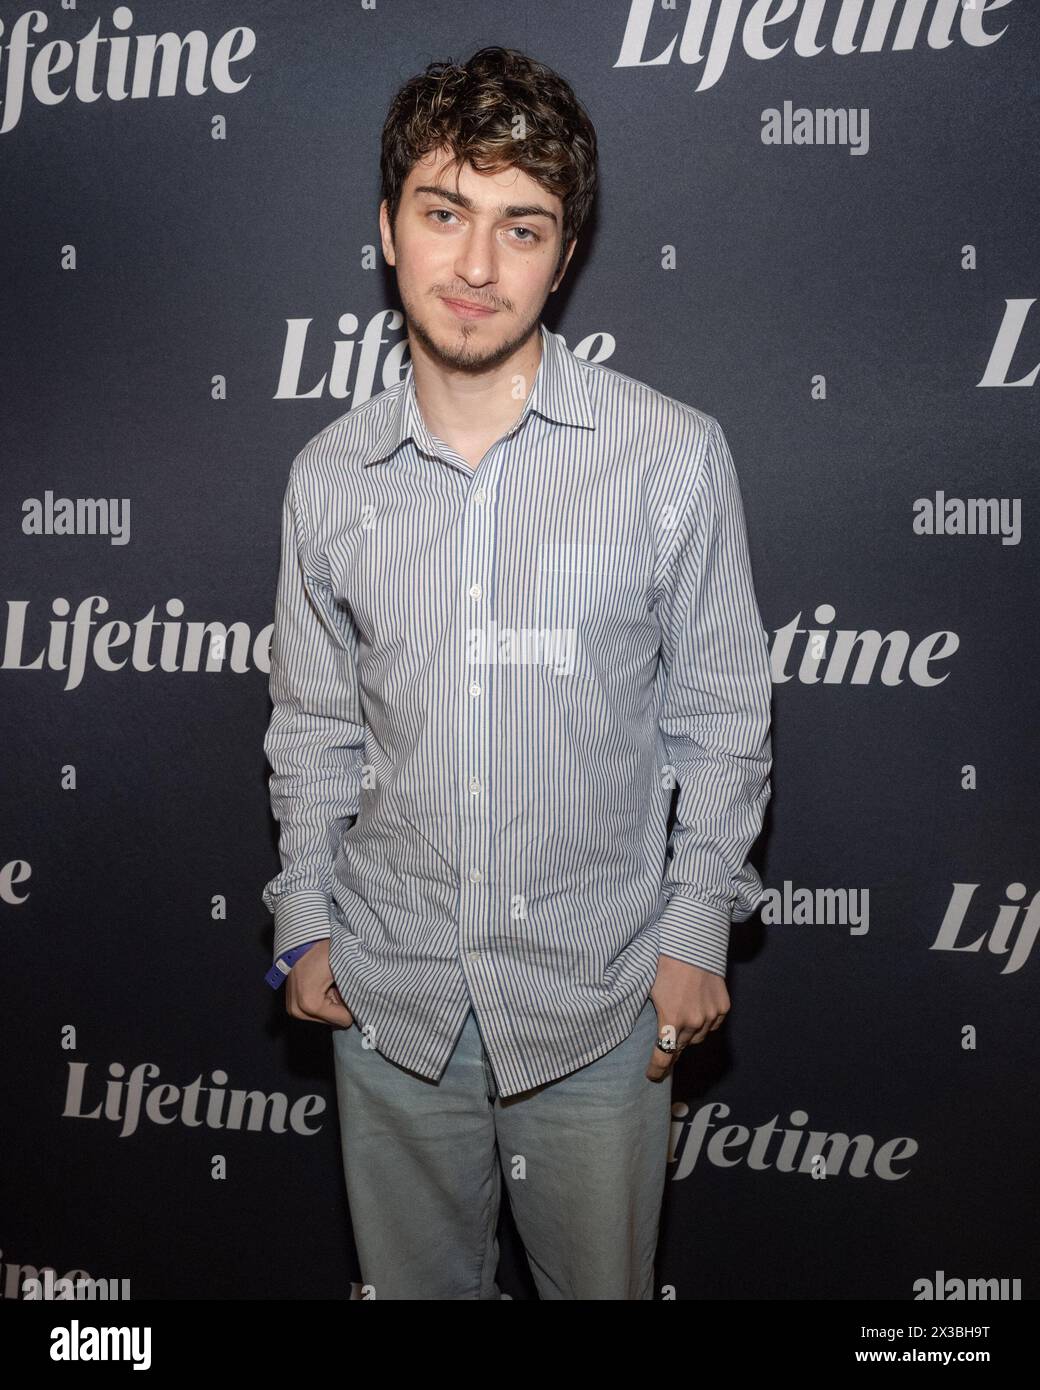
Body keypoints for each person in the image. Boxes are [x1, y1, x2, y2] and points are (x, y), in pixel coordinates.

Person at [261, 45, 773, 1300]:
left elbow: (720, 716)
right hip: (390, 1006)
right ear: (388, 228)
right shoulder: (328, 477)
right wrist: (305, 920)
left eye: (520, 226)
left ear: (566, 250)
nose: (477, 267)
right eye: (444, 213)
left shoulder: (669, 457)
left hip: (598, 1009)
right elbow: (315, 722)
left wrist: (695, 926)